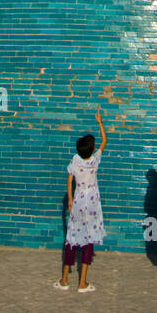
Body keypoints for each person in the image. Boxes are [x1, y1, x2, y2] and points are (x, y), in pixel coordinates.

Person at [55, 108, 108, 293]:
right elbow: (105, 141)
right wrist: (100, 122)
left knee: (72, 238)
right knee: (88, 239)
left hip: (78, 201)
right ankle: (83, 282)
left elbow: (70, 179)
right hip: (92, 203)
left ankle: (64, 280)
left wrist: (69, 199)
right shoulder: (95, 159)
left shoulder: (76, 160)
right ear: (92, 149)